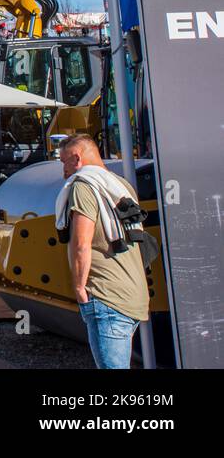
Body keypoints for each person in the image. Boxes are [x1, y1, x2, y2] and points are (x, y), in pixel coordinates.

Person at [58, 134, 150, 369]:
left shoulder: (83, 185)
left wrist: (79, 288)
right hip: (132, 295)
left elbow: (81, 243)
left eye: (63, 162)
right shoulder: (120, 185)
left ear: (76, 158)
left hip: (105, 295)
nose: (63, 170)